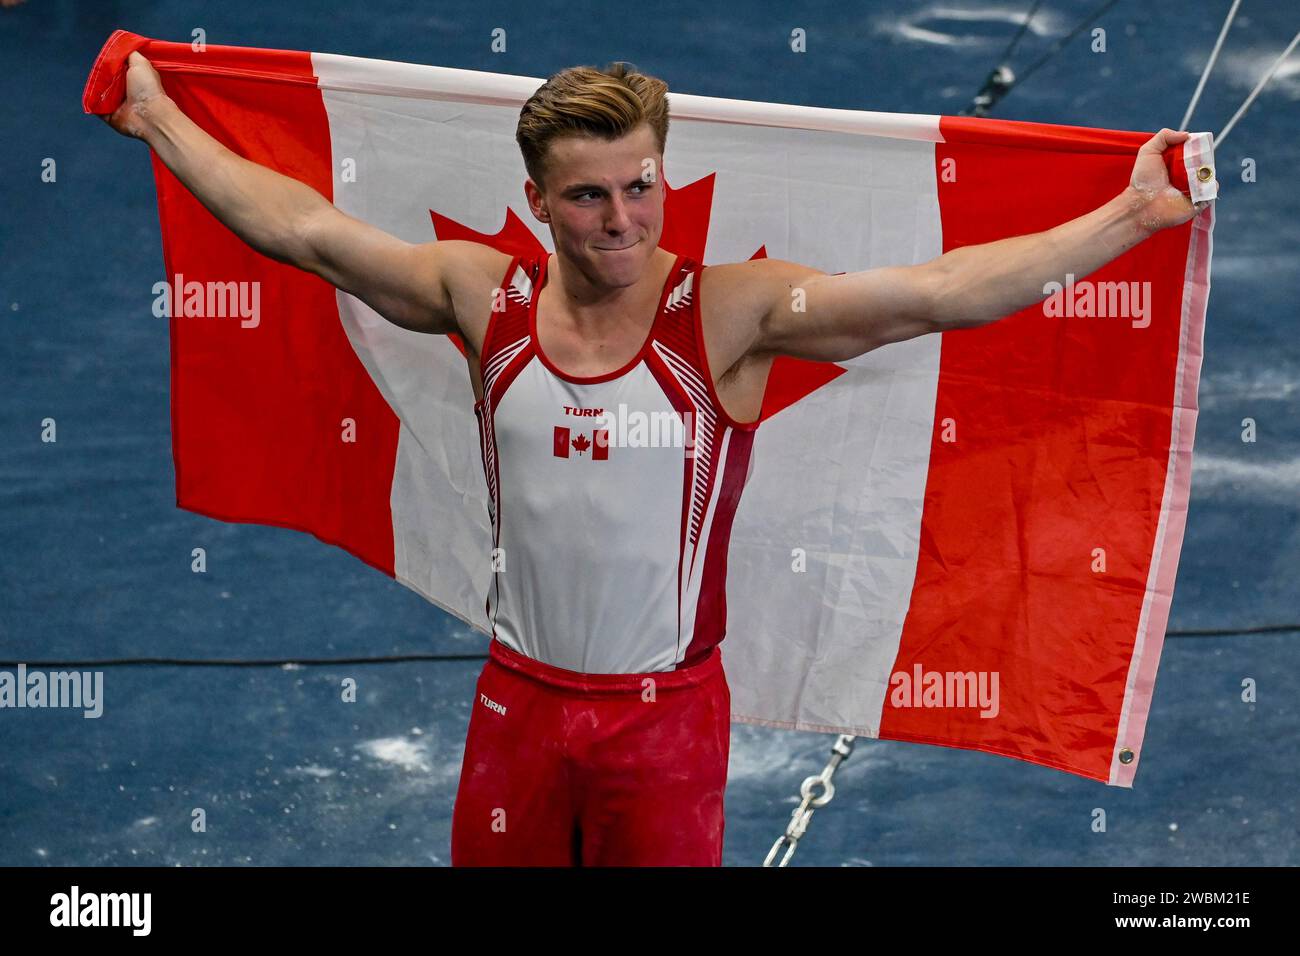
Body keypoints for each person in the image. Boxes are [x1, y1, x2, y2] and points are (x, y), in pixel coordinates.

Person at [101, 50, 1206, 866]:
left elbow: (938, 293)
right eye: (587, 194)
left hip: (663, 720)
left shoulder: (729, 315)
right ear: (536, 204)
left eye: (641, 185)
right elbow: (297, 227)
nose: (621, 218)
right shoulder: (482, 298)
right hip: (518, 704)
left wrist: (1127, 215)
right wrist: (159, 118)